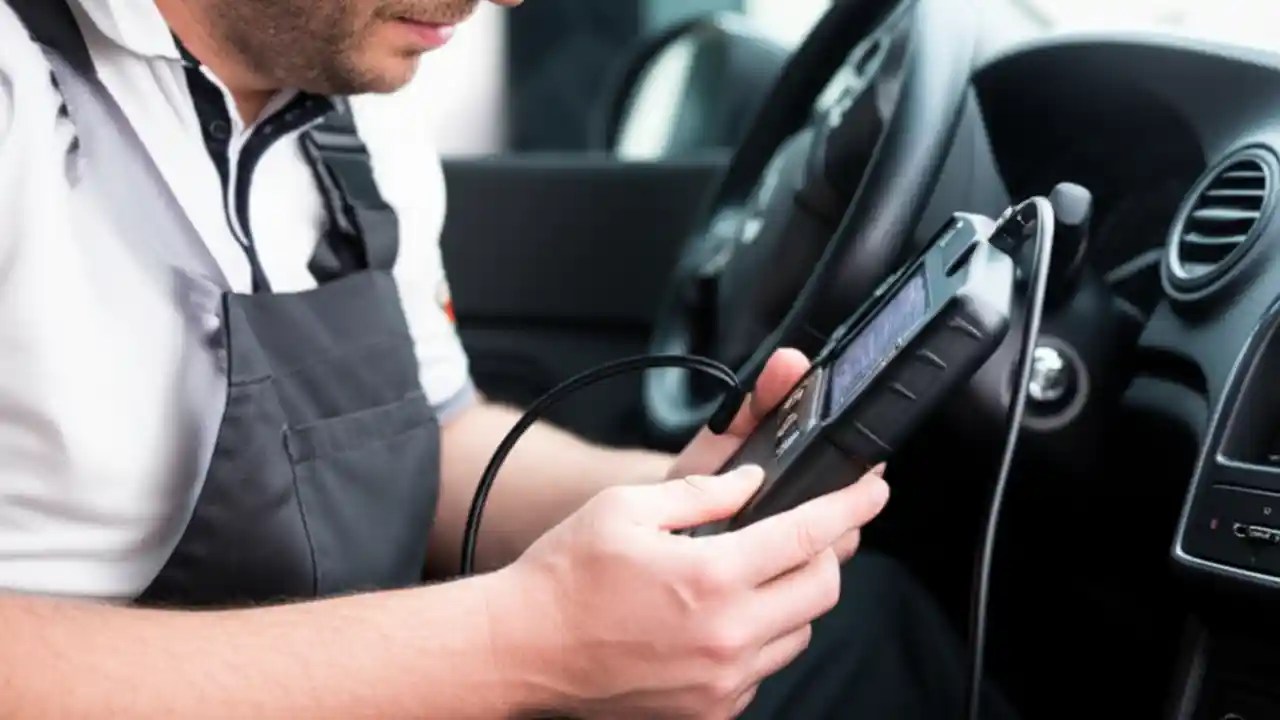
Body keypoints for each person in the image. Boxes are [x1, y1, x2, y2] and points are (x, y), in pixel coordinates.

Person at [0, 0, 1015, 717]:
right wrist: (523, 648)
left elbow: (424, 433)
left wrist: (693, 502)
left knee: (872, 633)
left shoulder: (360, 98)